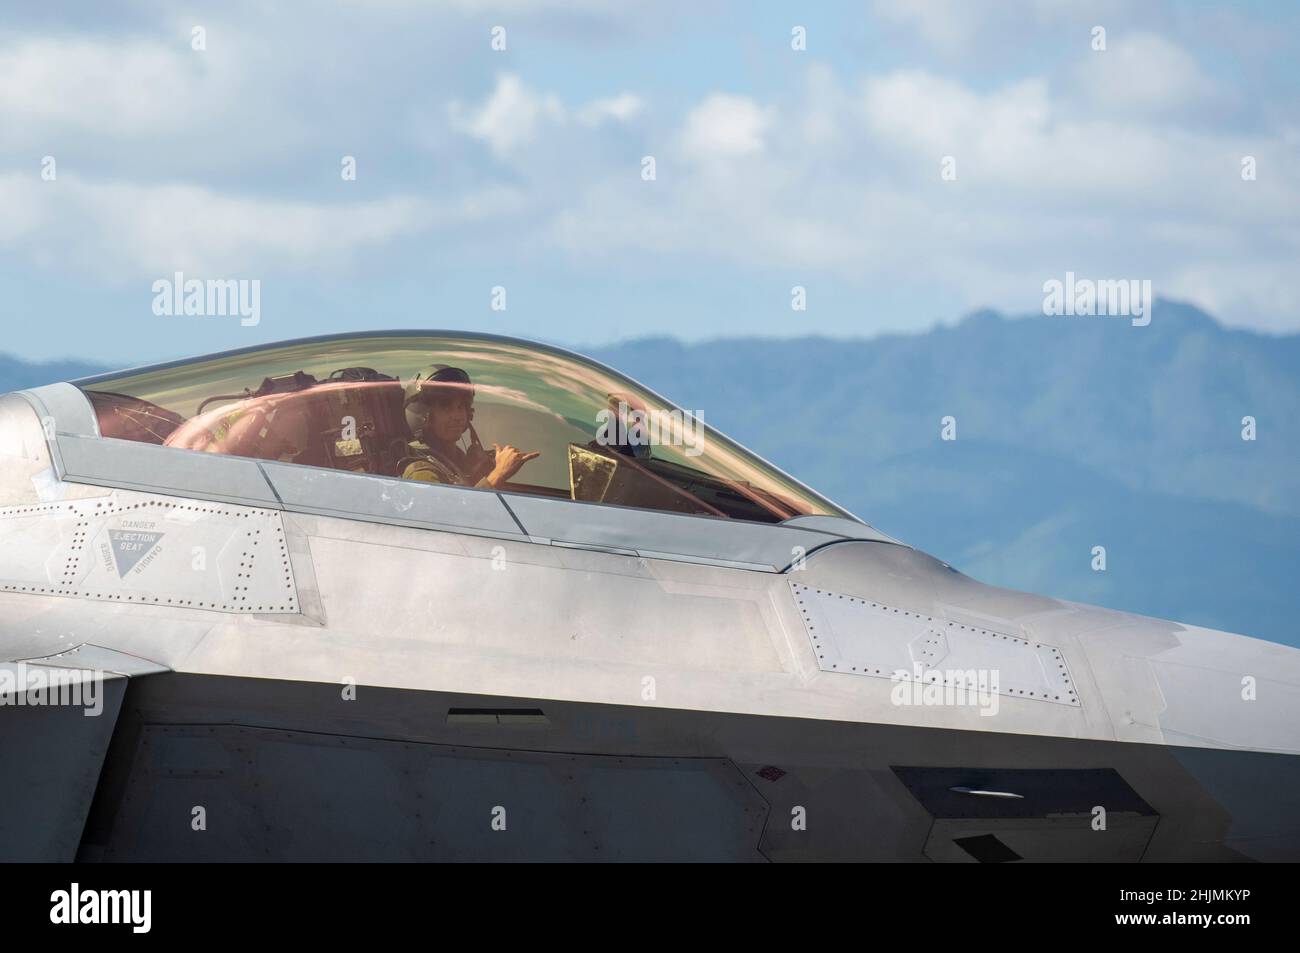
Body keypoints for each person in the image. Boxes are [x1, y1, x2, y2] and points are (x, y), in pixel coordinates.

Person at [398, 365, 540, 488]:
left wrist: (482, 469)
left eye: (461, 407)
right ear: (423, 415)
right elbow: (447, 516)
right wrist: (498, 474)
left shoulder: (454, 461)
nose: (457, 416)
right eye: (446, 408)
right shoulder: (421, 472)